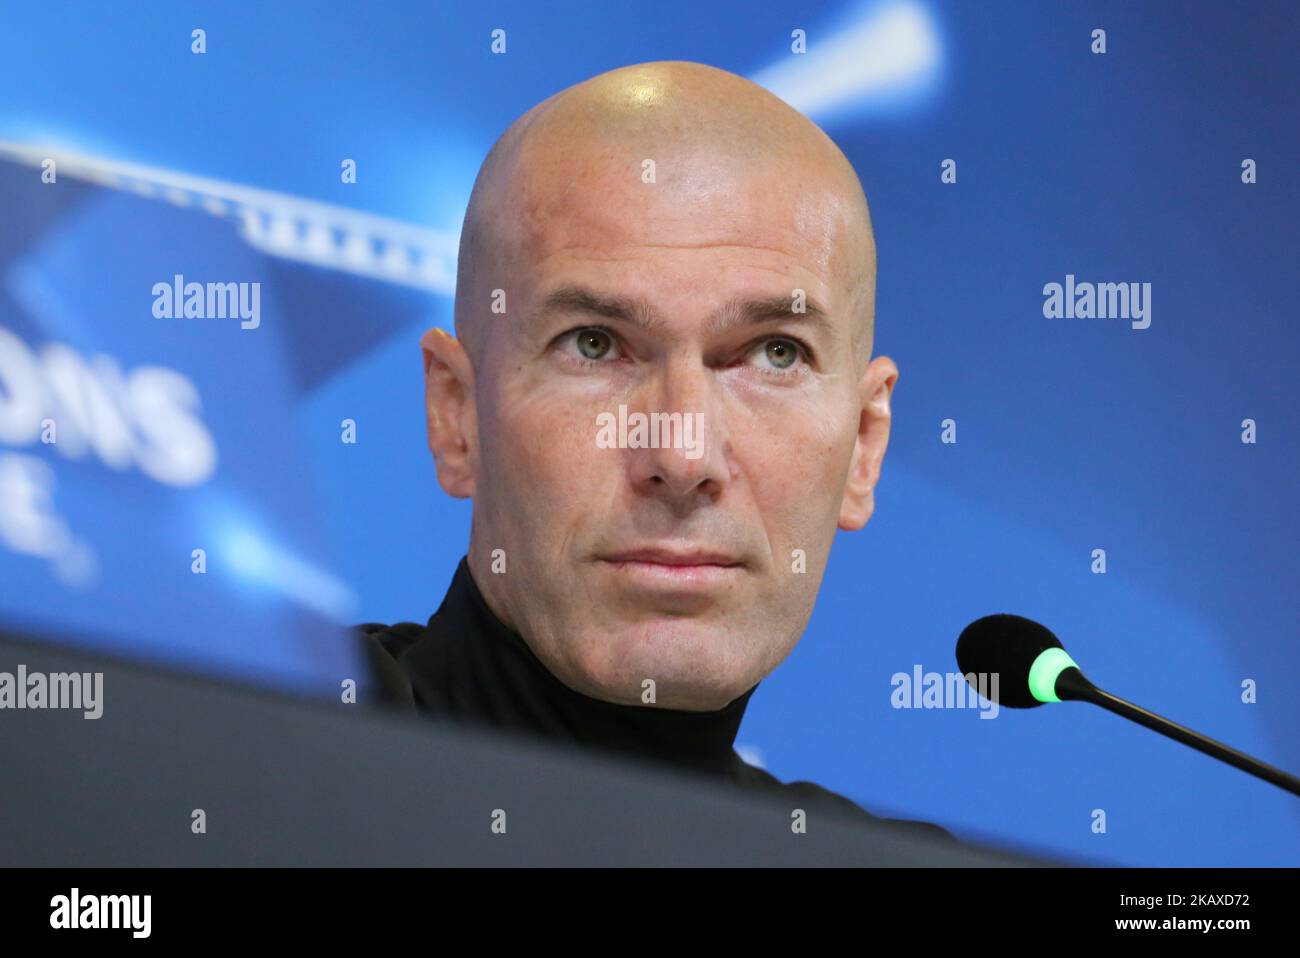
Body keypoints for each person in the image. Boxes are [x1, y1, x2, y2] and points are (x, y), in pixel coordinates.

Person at [360, 60, 953, 843]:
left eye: (775, 354)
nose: (681, 454)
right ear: (456, 414)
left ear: (864, 448)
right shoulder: (236, 754)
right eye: (596, 345)